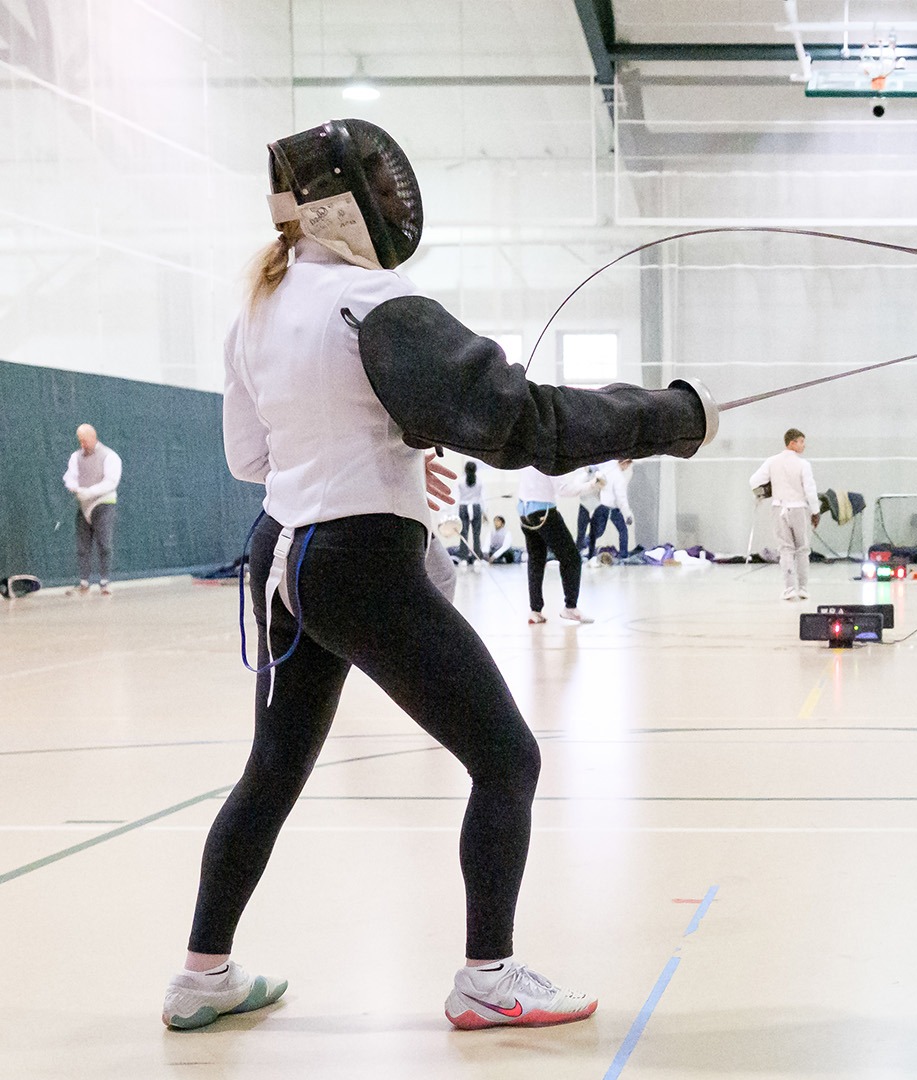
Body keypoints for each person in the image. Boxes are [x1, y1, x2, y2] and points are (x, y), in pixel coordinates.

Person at [171, 117, 713, 1034]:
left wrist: (376, 448)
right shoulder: (378, 304)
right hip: (358, 567)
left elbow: (249, 458)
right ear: (352, 204)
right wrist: (667, 417)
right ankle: (487, 976)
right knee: (507, 759)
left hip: (284, 559)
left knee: (272, 770)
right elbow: (526, 424)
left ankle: (201, 976)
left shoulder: (257, 312)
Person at [749, 428, 818, 601]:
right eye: (801, 441)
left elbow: (754, 481)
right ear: (792, 442)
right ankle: (802, 588)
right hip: (799, 509)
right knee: (802, 549)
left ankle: (789, 589)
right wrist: (815, 511)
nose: (804, 445)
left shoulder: (772, 462)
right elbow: (810, 489)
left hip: (778, 509)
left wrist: (767, 490)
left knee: (785, 550)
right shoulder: (803, 464)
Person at [519, 467, 589, 624]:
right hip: (544, 513)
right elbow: (564, 489)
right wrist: (592, 485)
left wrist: (584, 476)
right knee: (572, 558)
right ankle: (570, 607)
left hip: (524, 512)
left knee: (536, 561)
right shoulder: (549, 456)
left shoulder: (531, 454)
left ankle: (535, 610)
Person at [63, 423, 121, 594]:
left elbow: (111, 482)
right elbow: (70, 476)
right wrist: (73, 487)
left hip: (103, 503)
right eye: (80, 441)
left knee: (104, 543)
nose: (82, 444)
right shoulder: (76, 457)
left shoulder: (110, 456)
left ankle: (104, 581)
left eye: (85, 441)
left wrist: (89, 492)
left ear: (93, 437)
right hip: (84, 505)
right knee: (83, 545)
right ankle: (84, 582)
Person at [455, 460, 485, 565]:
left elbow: (457, 498)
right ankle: (477, 558)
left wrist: (454, 512)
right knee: (476, 534)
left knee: (464, 534)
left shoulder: (460, 481)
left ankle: (463, 558)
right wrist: (485, 512)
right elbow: (482, 498)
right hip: (476, 507)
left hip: (463, 507)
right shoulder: (480, 482)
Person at [574, 464, 607, 557]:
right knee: (581, 532)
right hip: (584, 505)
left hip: (596, 505)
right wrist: (591, 483)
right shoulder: (581, 475)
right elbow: (577, 488)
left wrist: (599, 480)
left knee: (595, 533)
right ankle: (577, 554)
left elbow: (604, 485)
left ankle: (591, 555)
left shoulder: (601, 472)